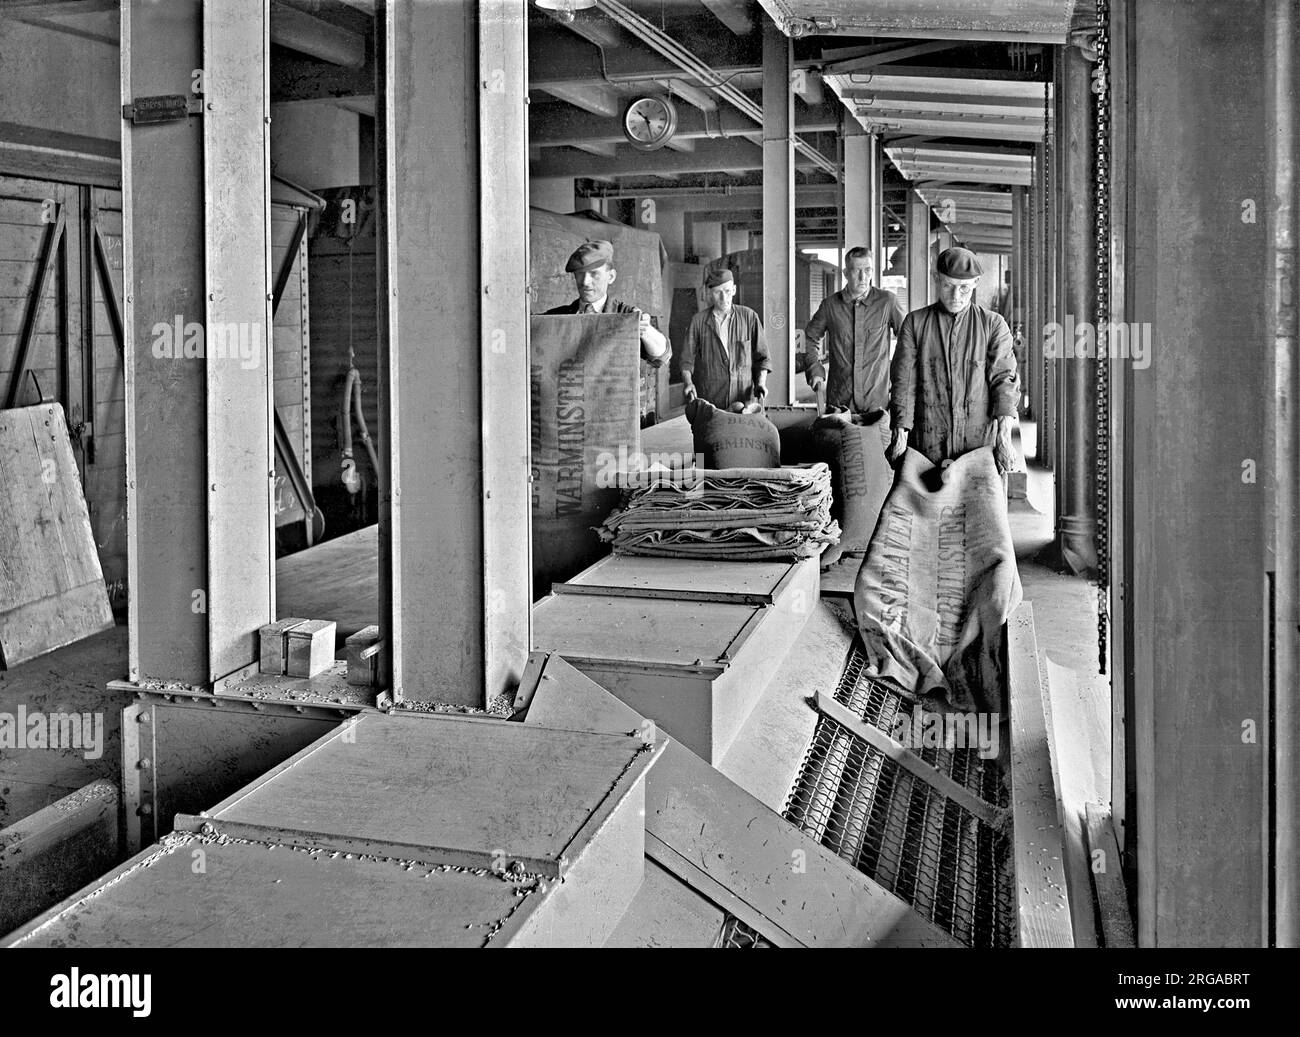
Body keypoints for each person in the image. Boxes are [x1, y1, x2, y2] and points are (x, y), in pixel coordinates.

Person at [887, 247, 1018, 472]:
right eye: (948, 286)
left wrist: (1004, 439)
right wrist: (899, 434)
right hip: (927, 445)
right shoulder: (915, 323)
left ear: (976, 283)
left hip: (978, 447)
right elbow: (903, 381)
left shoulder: (993, 325)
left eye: (964, 288)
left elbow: (1004, 381)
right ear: (937, 279)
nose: (955, 296)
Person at [803, 245, 906, 419]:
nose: (863, 277)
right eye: (857, 270)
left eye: (868, 270)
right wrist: (815, 369)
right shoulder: (830, 305)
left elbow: (908, 341)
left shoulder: (887, 302)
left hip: (877, 403)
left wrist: (898, 376)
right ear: (845, 273)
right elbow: (809, 338)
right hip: (840, 403)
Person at [544, 239, 670, 366]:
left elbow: (661, 357)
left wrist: (645, 329)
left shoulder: (626, 316)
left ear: (611, 277)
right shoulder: (555, 317)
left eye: (594, 274)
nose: (585, 282)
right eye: (580, 274)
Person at [680, 268, 770, 409]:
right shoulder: (698, 321)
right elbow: (686, 361)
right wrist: (688, 383)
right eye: (718, 292)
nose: (723, 298)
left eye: (727, 291)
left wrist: (761, 383)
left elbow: (763, 358)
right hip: (710, 402)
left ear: (734, 290)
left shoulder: (749, 317)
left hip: (744, 401)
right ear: (710, 293)